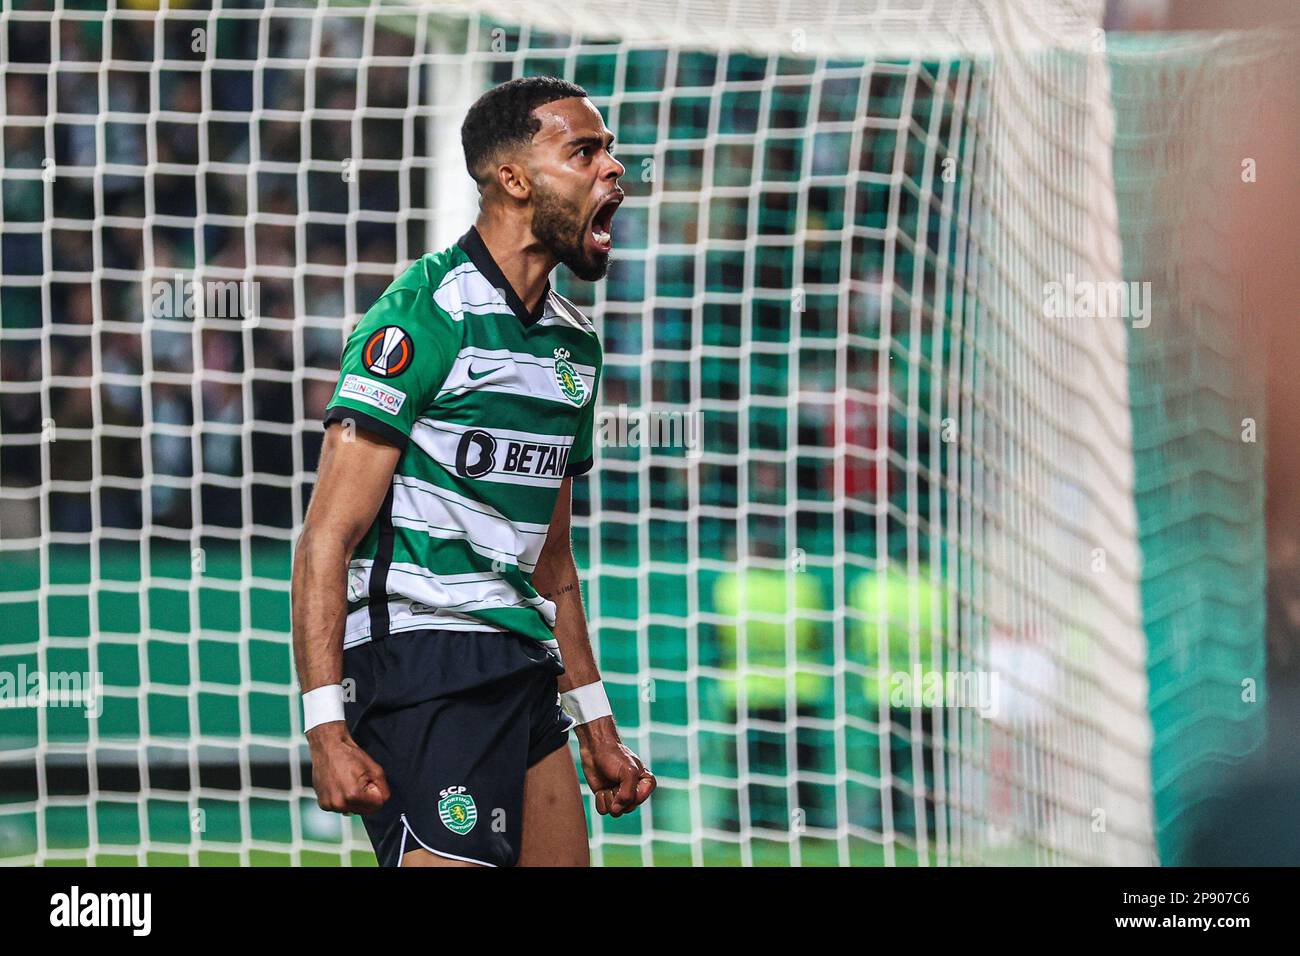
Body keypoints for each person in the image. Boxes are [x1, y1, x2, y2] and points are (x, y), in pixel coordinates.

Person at [291, 76, 654, 868]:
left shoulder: (573, 347)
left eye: (612, 151)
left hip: (518, 659)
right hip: (420, 656)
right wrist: (325, 728)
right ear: (513, 179)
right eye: (586, 150)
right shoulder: (422, 315)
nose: (615, 170)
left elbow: (552, 566)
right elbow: (326, 538)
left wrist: (596, 726)